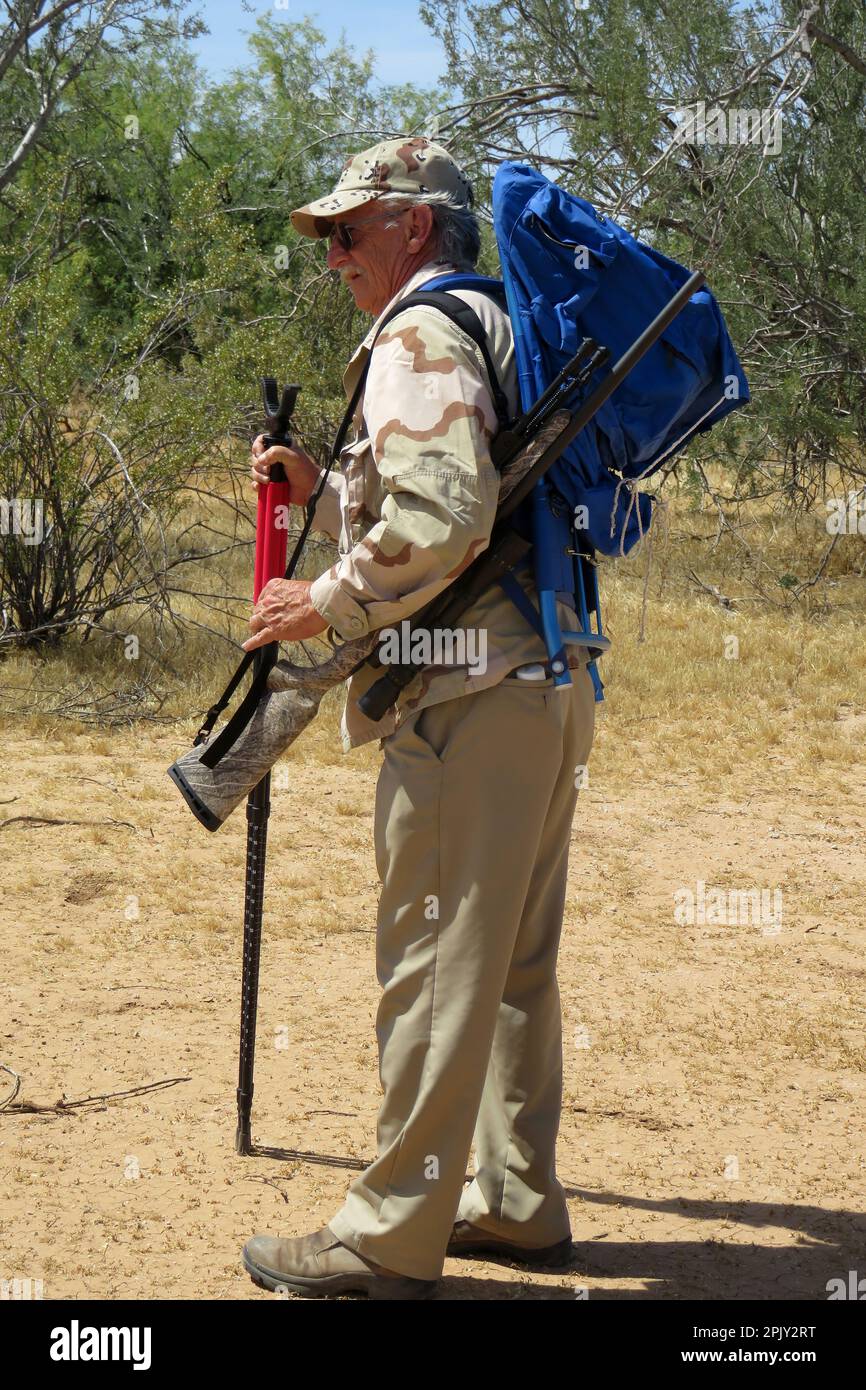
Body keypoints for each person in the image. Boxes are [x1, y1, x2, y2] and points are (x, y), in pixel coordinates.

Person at [240, 137, 596, 1299]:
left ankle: (390, 1233)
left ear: (414, 227)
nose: (334, 254)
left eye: (350, 230)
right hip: (545, 679)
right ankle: (510, 1198)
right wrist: (326, 488)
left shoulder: (414, 333)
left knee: (435, 964)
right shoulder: (496, 323)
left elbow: (441, 515)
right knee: (506, 969)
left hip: (461, 692)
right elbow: (468, 494)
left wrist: (323, 599)